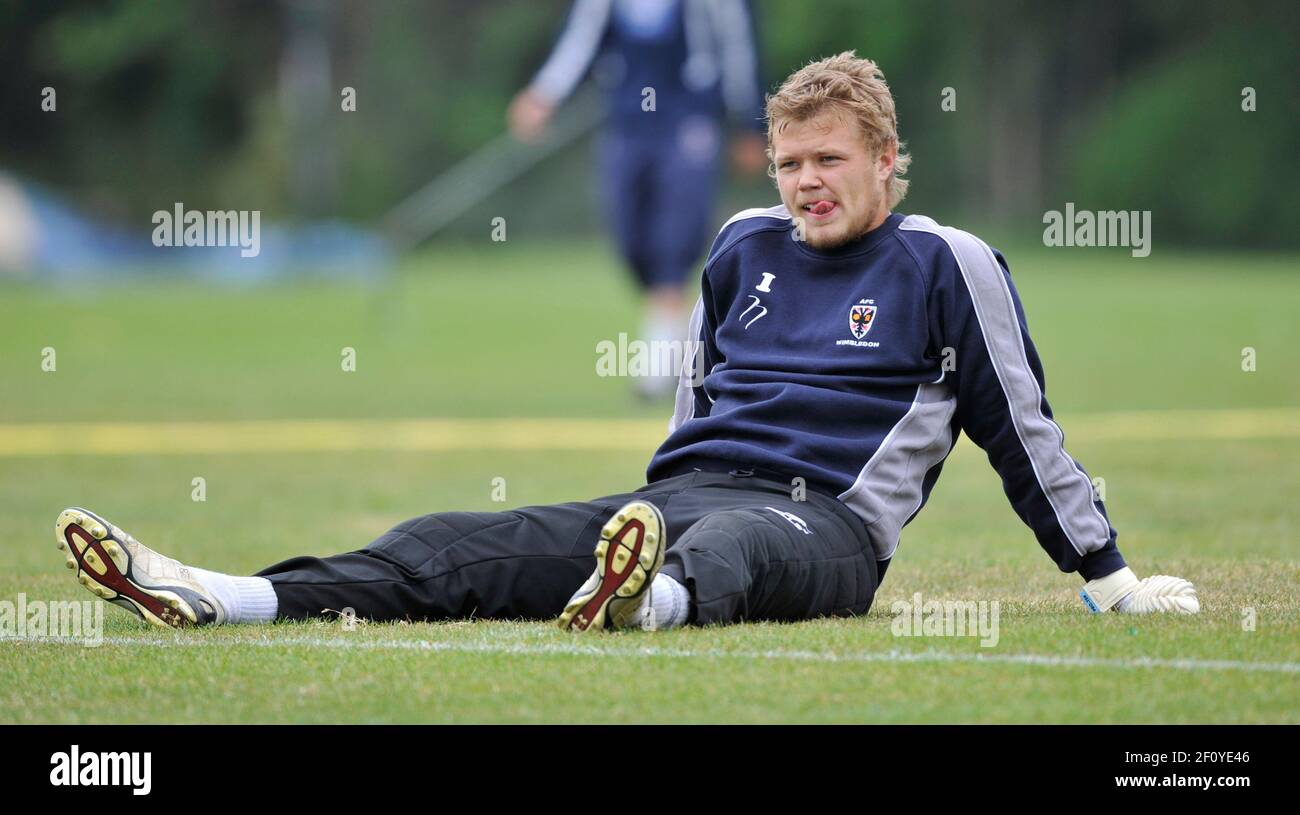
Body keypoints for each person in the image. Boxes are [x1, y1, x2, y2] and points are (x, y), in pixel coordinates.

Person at [54, 52, 1198, 636]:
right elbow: (693, 404)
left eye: (829, 160)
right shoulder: (739, 245)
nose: (804, 183)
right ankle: (219, 593)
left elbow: (1021, 429)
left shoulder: (946, 261)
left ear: (886, 159)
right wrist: (654, 501)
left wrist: (1110, 583)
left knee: (741, 542)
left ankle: (641, 601)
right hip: (680, 499)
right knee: (461, 539)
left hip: (826, 526)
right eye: (789, 160)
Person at [508, 0, 768, 399]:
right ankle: (677, 337)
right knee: (630, 237)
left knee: (674, 236)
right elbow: (579, 42)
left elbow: (737, 48)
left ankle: (660, 366)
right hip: (627, 124)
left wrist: (749, 122)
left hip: (689, 120)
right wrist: (543, 95)